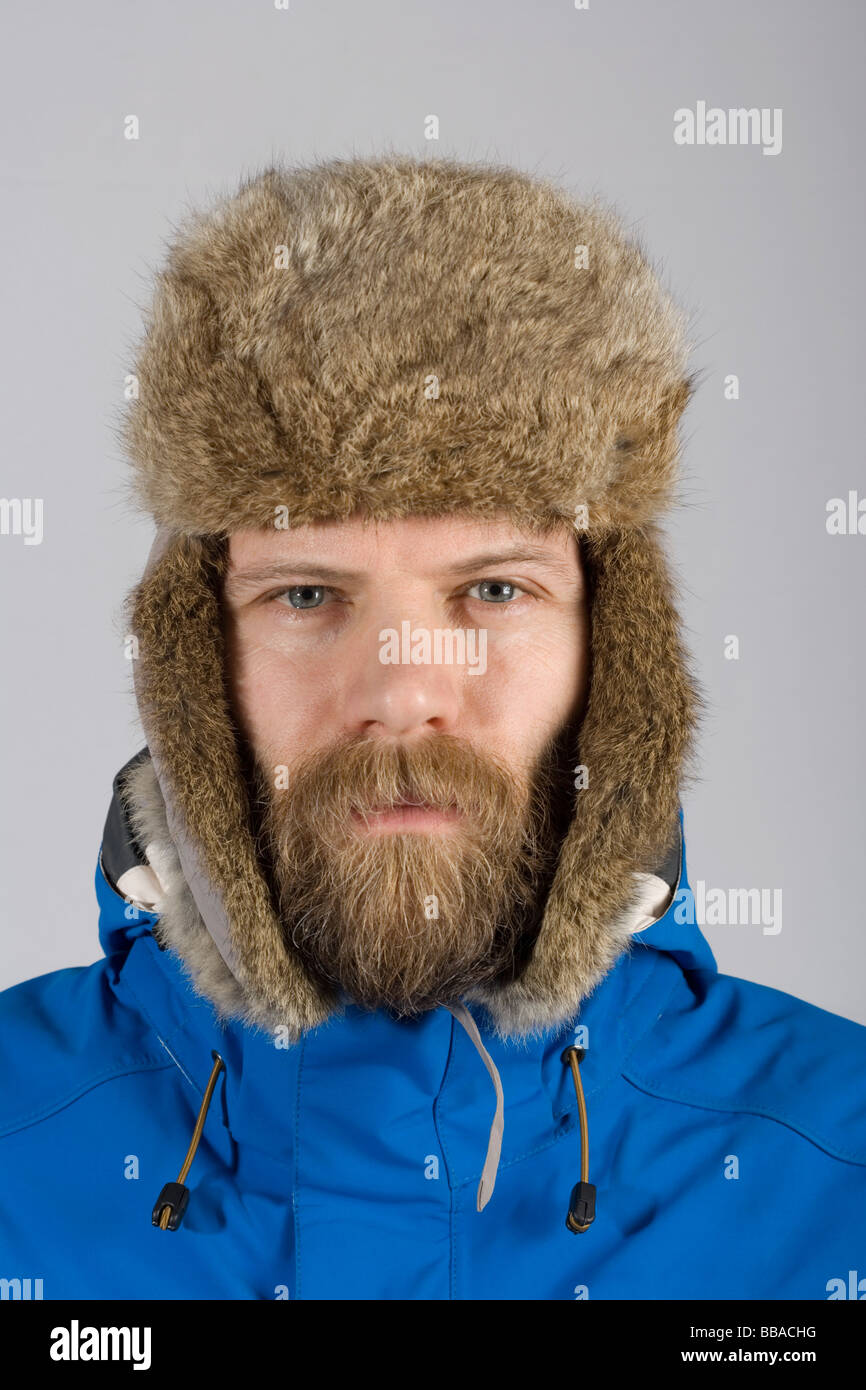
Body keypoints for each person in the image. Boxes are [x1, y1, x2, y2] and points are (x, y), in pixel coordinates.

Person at [1, 154, 864, 1302]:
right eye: (305, 595)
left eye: (494, 592)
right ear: (196, 671)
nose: (403, 693)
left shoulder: (831, 1184)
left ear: (616, 656)